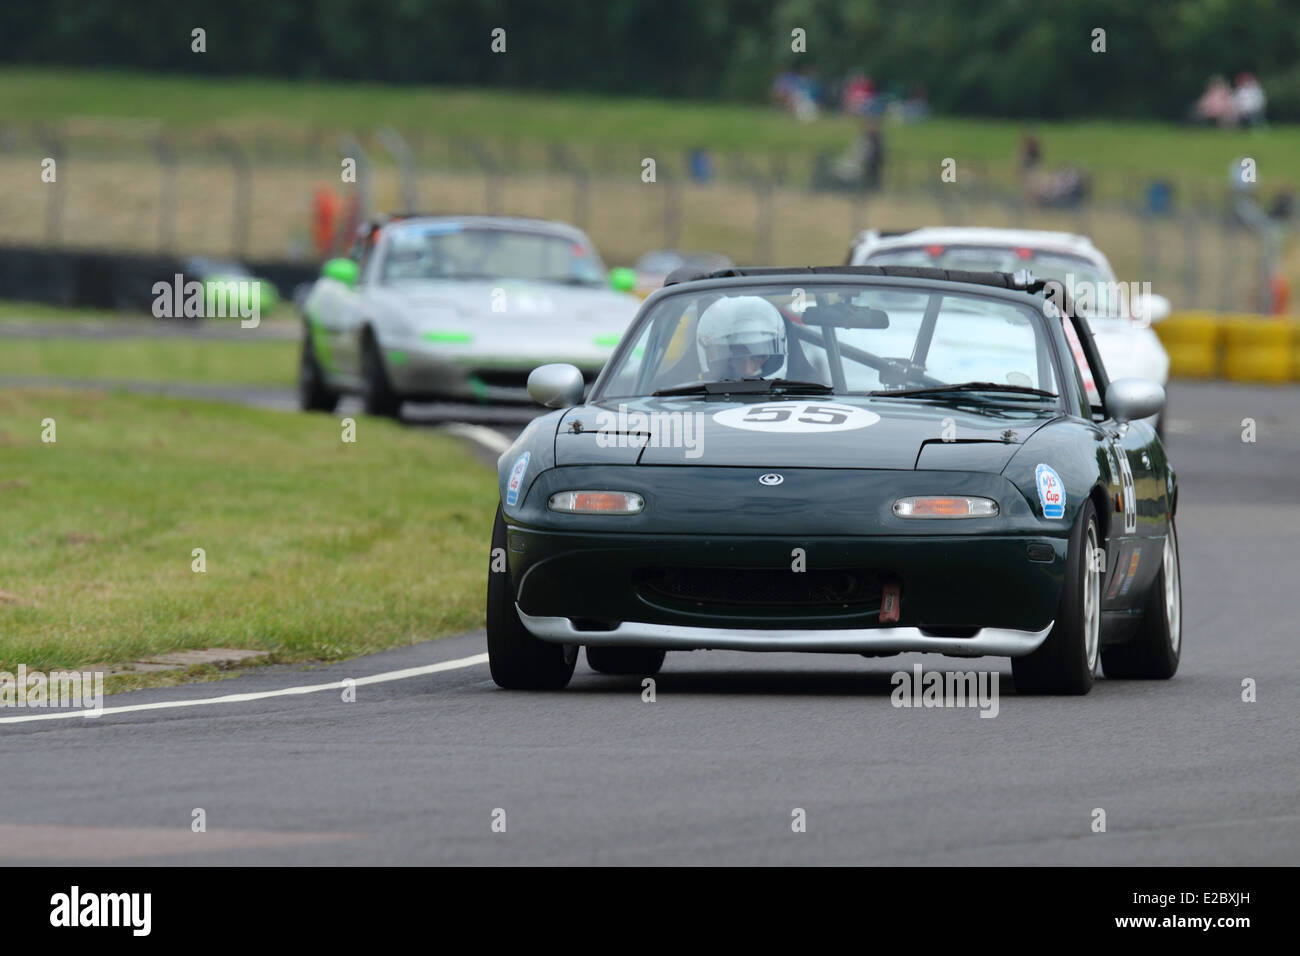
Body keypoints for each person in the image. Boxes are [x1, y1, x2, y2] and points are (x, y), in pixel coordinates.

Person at [695, 296, 788, 380]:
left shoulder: (793, 384)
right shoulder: (692, 388)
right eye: (736, 357)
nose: (748, 370)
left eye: (758, 356)